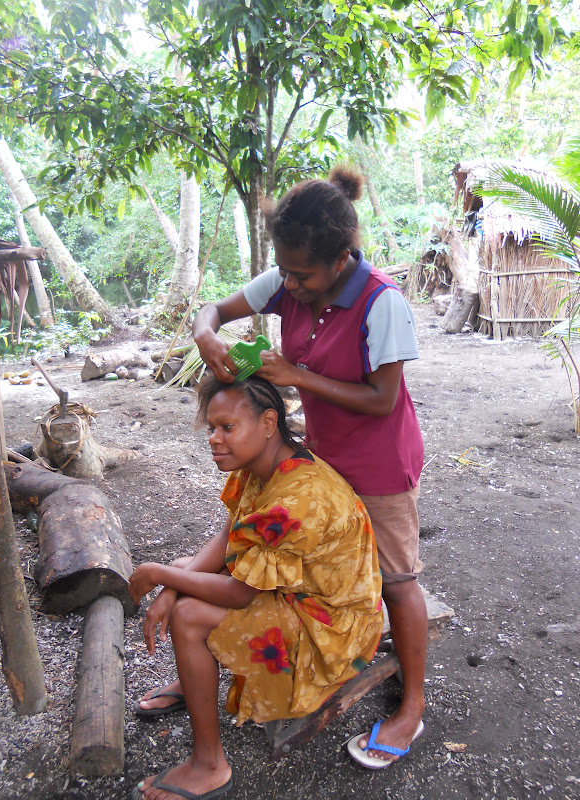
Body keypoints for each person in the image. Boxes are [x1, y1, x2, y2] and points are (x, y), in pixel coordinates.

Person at [191, 166, 427, 769]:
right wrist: (206, 335)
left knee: (396, 579)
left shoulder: (382, 302)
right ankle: (221, 654)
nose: (289, 285)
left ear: (341, 258)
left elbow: (382, 399)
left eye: (302, 275)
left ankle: (411, 707)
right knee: (291, 556)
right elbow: (213, 310)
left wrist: (297, 376)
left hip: (378, 461)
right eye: (285, 272)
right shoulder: (288, 275)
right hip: (318, 457)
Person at [130, 375, 383, 800]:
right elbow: (231, 534)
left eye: (227, 427)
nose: (214, 438)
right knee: (184, 573)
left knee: (189, 613)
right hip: (299, 594)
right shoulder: (265, 465)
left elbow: (238, 593)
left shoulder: (299, 497)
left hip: (332, 629)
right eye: (212, 427)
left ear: (268, 423)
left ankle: (209, 765)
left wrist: (159, 576)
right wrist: (171, 583)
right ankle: (195, 680)